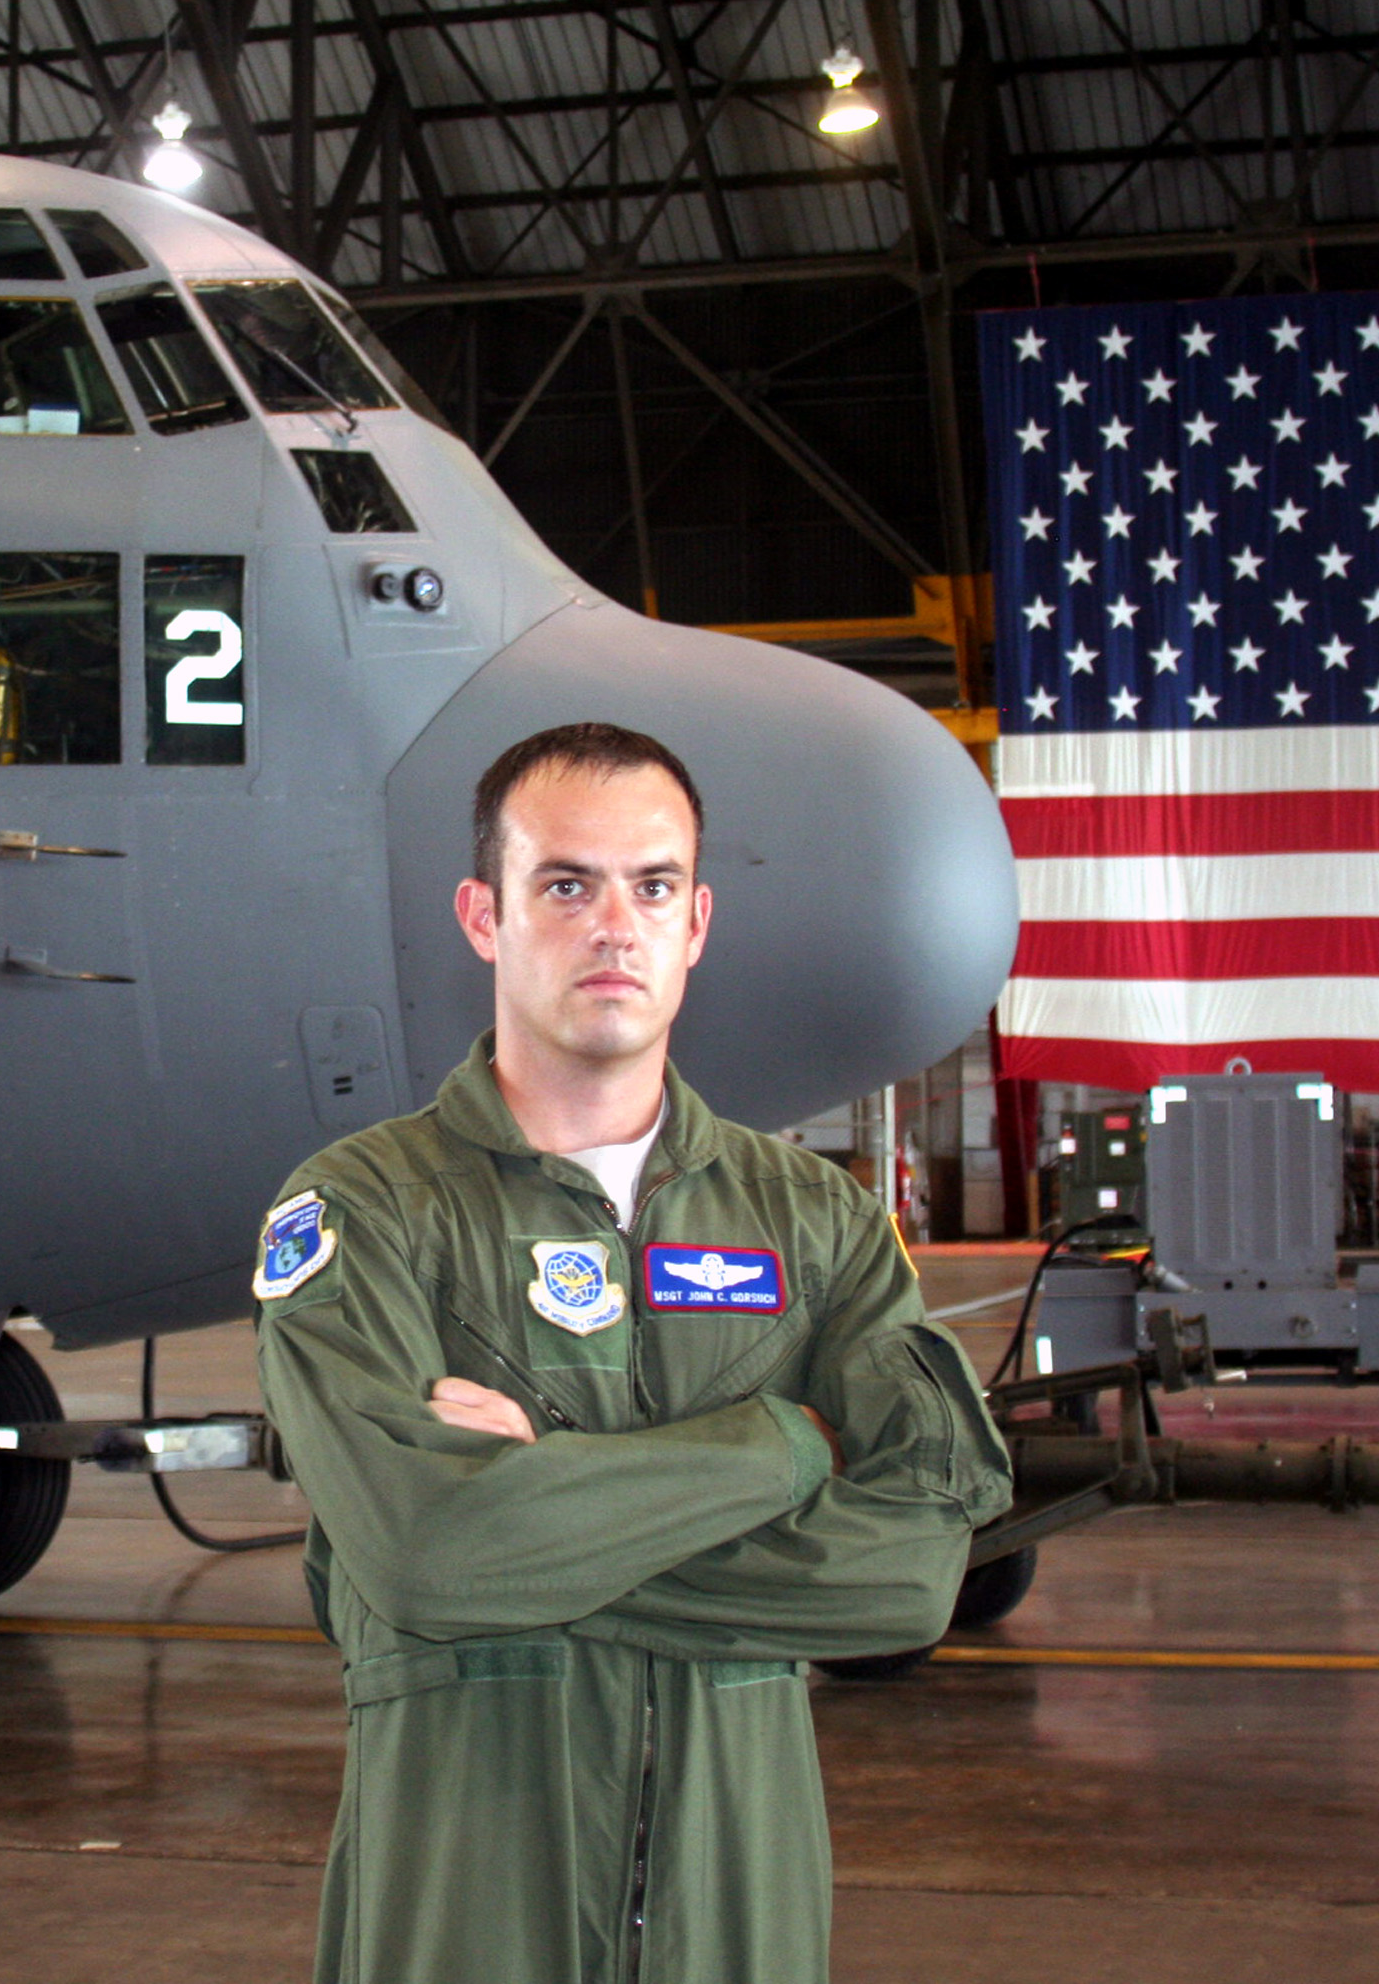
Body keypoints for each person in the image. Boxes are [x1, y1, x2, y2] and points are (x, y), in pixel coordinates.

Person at [251, 721, 1011, 1984]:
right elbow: (433, 1554)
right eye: (565, 884)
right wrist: (784, 1446)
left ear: (697, 921)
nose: (615, 925)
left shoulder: (813, 1224)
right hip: (463, 1925)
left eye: (652, 886)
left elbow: (910, 1581)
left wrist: (541, 1507)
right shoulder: (363, 1213)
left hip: (742, 1927)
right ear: (483, 916)